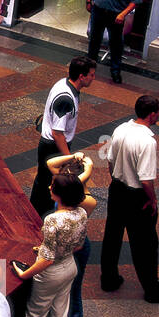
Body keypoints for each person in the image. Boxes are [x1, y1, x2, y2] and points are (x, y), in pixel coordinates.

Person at [13, 173, 95, 317]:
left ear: (60, 194)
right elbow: (77, 245)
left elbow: (47, 260)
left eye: (52, 186)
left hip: (51, 273)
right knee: (60, 315)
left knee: (35, 316)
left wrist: (24, 274)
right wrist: (46, 249)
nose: (49, 188)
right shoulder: (82, 214)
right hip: (69, 267)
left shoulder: (52, 219)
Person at [101, 95, 159, 302]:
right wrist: (152, 200)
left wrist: (117, 179)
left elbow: (110, 161)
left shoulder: (120, 129)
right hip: (136, 196)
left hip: (117, 188)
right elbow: (146, 180)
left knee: (112, 235)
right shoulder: (147, 141)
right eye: (158, 111)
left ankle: (108, 278)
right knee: (145, 244)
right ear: (152, 115)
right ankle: (152, 289)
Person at [30, 56, 96, 217]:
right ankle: (39, 217)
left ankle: (34, 213)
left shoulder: (63, 83)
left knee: (43, 181)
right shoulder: (66, 99)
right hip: (54, 147)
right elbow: (58, 133)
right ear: (82, 76)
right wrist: (69, 158)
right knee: (49, 184)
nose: (93, 78)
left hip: (51, 145)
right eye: (92, 75)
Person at [46, 152, 96, 317]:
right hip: (68, 245)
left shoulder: (86, 201)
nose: (52, 186)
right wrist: (76, 156)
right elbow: (50, 162)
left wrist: (87, 168)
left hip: (76, 249)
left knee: (73, 294)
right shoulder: (71, 189)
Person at [86, 0, 141, 84]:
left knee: (116, 44)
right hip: (97, 10)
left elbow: (135, 1)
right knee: (94, 40)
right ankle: (89, 67)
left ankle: (115, 71)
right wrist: (88, 0)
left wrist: (123, 14)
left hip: (115, 16)